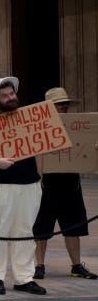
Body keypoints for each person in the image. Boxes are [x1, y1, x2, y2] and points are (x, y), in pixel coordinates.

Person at [0, 76, 47, 296]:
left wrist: (39, 177)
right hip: (0, 184)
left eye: (12, 93)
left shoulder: (28, 118)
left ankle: (24, 278)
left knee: (25, 231)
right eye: (4, 96)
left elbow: (40, 147)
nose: (10, 98)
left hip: (29, 183)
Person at [33, 87, 97, 280]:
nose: (64, 107)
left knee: (73, 224)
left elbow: (85, 148)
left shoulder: (76, 127)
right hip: (46, 183)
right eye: (60, 104)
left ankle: (76, 265)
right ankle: (39, 265)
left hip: (70, 181)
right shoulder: (38, 128)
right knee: (41, 225)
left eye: (66, 104)